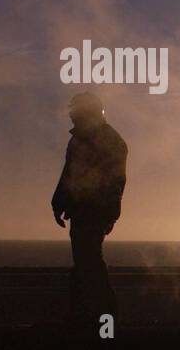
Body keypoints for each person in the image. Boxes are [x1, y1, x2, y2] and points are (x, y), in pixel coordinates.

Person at [51, 92, 128, 326]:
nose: (72, 116)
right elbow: (70, 173)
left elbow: (116, 182)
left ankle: (104, 318)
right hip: (82, 210)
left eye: (76, 111)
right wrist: (59, 201)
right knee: (85, 263)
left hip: (93, 212)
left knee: (90, 263)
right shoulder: (80, 140)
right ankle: (84, 316)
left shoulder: (110, 141)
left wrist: (108, 215)